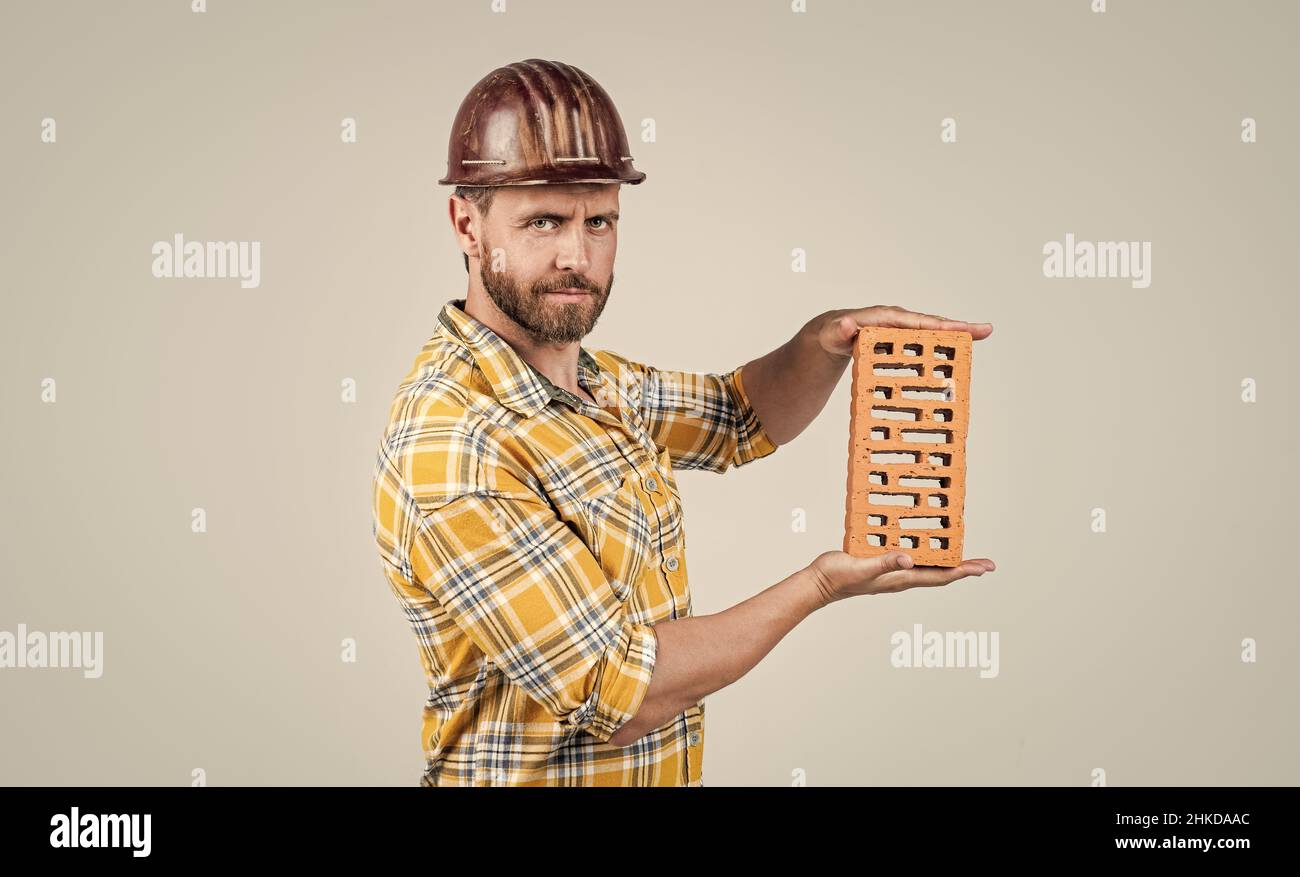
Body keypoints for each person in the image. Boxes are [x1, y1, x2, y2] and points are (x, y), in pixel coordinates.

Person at [371, 59, 997, 786]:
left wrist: (828, 340)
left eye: (598, 220)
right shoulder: (457, 444)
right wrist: (820, 585)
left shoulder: (596, 386)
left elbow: (738, 416)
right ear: (467, 225)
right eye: (543, 221)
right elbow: (624, 690)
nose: (577, 255)